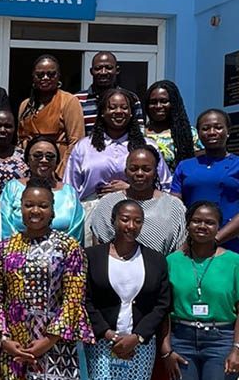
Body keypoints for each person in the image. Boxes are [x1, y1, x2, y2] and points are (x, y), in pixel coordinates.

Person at [0, 177, 93, 380]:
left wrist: (48, 340)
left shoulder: (69, 247)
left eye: (42, 205)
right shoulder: (5, 248)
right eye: (29, 205)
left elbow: (73, 299)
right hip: (13, 345)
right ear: (19, 209)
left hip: (53, 345)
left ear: (52, 210)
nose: (35, 211)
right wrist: (5, 340)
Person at [77, 199, 171, 380]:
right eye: (125, 219)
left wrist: (137, 337)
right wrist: (108, 334)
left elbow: (162, 304)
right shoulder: (91, 257)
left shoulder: (155, 260)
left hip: (140, 347)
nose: (131, 225)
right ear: (114, 220)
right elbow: (85, 300)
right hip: (102, 346)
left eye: (137, 221)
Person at [162, 201, 239, 380]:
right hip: (182, 341)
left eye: (209, 222)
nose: (202, 226)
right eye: (197, 221)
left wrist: (237, 348)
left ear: (218, 227)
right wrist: (167, 350)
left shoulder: (233, 262)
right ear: (188, 224)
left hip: (221, 342)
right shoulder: (172, 261)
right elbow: (164, 309)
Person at [64, 88, 171, 245]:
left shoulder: (146, 146)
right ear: (102, 112)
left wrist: (130, 188)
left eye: (124, 107)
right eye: (112, 107)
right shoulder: (84, 146)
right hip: (92, 214)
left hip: (138, 213)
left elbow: (164, 185)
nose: (118, 111)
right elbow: (70, 189)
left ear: (132, 113)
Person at [90, 144, 186, 255]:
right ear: (126, 172)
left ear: (155, 173)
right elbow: (98, 248)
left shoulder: (174, 207)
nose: (139, 174)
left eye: (146, 169)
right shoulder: (107, 204)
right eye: (133, 169)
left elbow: (179, 252)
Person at [171, 109, 239, 254]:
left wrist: (214, 240)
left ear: (228, 131)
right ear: (199, 133)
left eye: (218, 127)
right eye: (205, 128)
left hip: (231, 244)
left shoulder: (237, 165)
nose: (212, 132)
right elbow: (175, 207)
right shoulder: (185, 166)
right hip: (191, 246)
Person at [0, 136, 84, 243]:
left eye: (50, 156)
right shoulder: (12, 188)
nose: (44, 160)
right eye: (37, 156)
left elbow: (76, 229)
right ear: (27, 159)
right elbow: (5, 224)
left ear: (57, 161)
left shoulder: (69, 192)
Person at [17, 54, 84, 175]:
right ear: (33, 77)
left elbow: (76, 142)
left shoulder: (69, 101)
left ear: (58, 76)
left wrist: (61, 172)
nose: (45, 78)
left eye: (51, 74)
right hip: (30, 168)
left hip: (58, 167)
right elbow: (20, 139)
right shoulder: (25, 105)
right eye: (40, 75)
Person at [75, 51, 144, 136]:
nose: (103, 72)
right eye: (98, 68)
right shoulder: (77, 100)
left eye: (109, 67)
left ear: (117, 70)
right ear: (91, 71)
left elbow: (138, 131)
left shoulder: (130, 98)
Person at [143, 80, 201, 170]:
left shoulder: (190, 133)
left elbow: (200, 167)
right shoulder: (139, 133)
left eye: (164, 101)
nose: (158, 106)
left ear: (174, 103)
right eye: (153, 102)